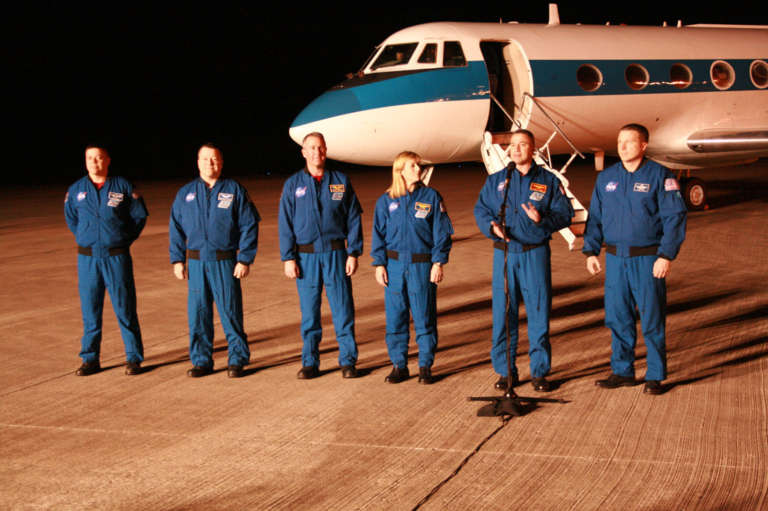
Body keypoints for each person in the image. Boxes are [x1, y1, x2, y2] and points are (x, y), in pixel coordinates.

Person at [583, 124, 686, 395]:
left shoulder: (660, 176)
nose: (623, 146)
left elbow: (674, 218)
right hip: (616, 259)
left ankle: (655, 375)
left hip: (648, 259)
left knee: (652, 317)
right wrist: (591, 251)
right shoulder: (607, 178)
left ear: (643, 146)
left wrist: (666, 255)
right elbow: (595, 217)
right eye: (620, 141)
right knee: (618, 317)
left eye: (629, 141)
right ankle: (623, 371)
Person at [474, 130, 573, 392]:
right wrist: (491, 226)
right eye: (513, 145)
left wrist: (543, 220)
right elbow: (481, 209)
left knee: (538, 312)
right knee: (503, 314)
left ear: (533, 149)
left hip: (534, 253)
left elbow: (565, 214)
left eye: (523, 145)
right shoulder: (497, 180)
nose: (516, 149)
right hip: (505, 253)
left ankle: (539, 372)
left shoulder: (548, 181)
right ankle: (506, 371)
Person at [169, 143, 260, 378]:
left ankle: (237, 359)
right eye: (205, 159)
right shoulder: (185, 194)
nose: (210, 163)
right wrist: (177, 260)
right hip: (196, 263)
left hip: (225, 262)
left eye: (215, 159)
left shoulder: (234, 190)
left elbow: (249, 224)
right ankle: (201, 361)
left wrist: (245, 258)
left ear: (221, 162)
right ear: (198, 162)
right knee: (198, 314)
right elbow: (175, 228)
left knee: (230, 312)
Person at [278, 132, 362, 379]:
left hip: (336, 254)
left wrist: (353, 252)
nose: (317, 152)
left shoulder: (340, 181)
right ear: (304, 152)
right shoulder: (293, 185)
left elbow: (353, 218)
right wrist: (288, 258)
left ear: (326, 150)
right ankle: (310, 362)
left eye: (321, 147)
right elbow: (285, 223)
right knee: (310, 313)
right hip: (306, 258)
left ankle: (348, 361)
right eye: (312, 148)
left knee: (343, 310)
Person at [371, 151, 454, 384]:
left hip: (422, 266)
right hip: (394, 266)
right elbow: (378, 235)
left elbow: (442, 233)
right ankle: (399, 365)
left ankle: (425, 366)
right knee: (395, 318)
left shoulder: (431, 197)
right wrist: (379, 264)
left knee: (424, 317)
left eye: (419, 165)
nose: (419, 169)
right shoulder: (386, 200)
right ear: (400, 171)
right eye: (413, 166)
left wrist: (438, 263)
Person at [65, 145, 148, 376]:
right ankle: (90, 359)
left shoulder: (123, 187)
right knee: (90, 310)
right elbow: (72, 219)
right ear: (85, 161)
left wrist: (122, 239)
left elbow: (139, 216)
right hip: (88, 258)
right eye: (90, 158)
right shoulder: (76, 190)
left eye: (99, 157)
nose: (94, 162)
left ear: (108, 160)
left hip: (116, 256)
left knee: (125, 307)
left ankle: (133, 358)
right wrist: (87, 237)